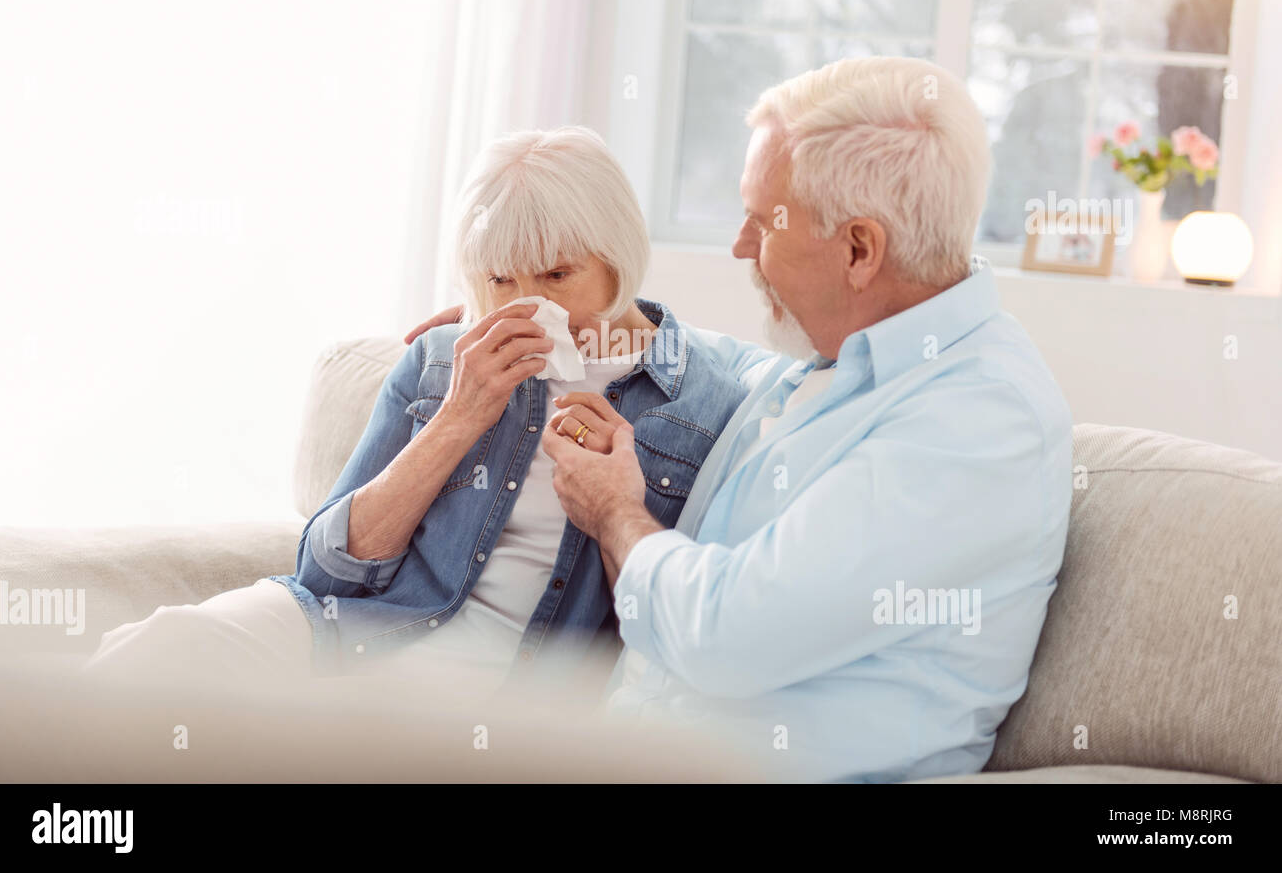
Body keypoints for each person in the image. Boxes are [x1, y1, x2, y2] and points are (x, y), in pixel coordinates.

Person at [408, 57, 1073, 782]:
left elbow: (729, 633)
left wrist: (617, 514)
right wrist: (530, 319)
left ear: (859, 249)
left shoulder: (974, 423)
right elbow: (723, 363)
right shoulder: (849, 363)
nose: (740, 246)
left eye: (764, 222)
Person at [82, 126, 749, 703]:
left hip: (505, 700)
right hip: (349, 633)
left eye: (554, 276)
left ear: (617, 258)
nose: (523, 306)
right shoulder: (440, 360)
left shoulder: (697, 402)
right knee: (159, 648)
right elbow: (324, 573)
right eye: (499, 279)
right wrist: (460, 414)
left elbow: (659, 642)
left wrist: (610, 510)